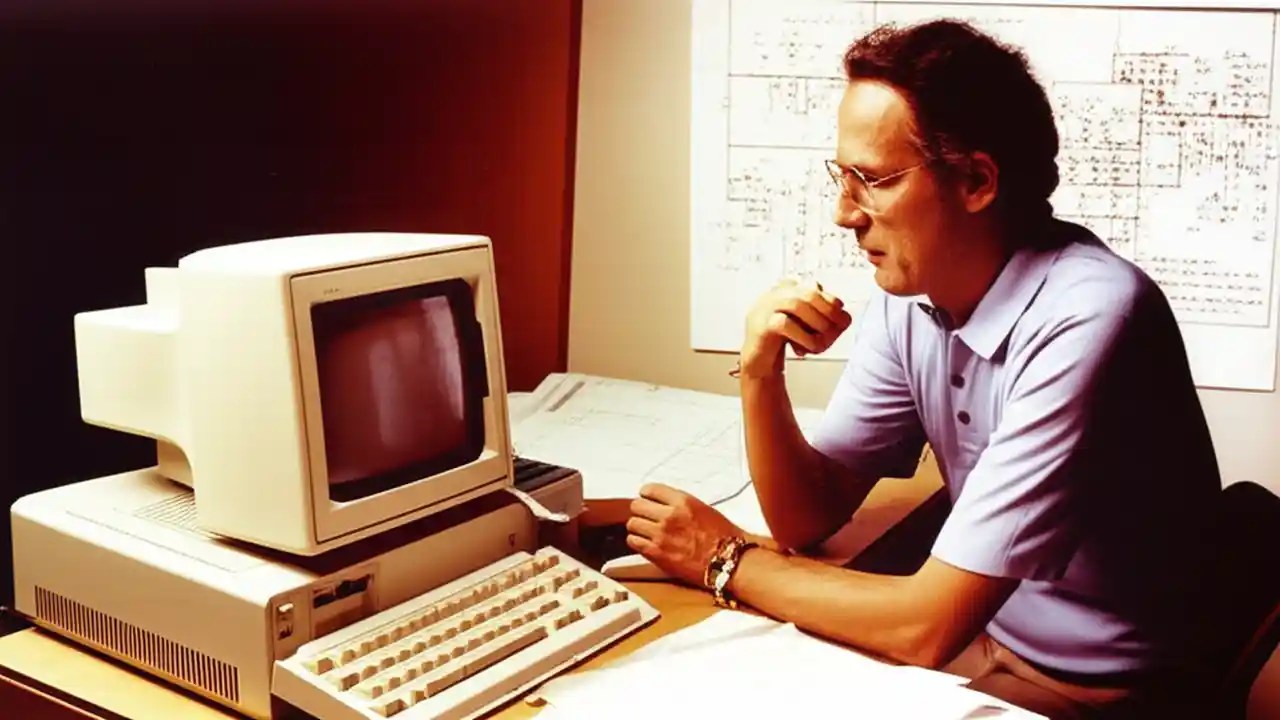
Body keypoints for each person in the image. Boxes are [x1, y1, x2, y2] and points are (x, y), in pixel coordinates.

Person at [623, 18, 1222, 719]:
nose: (846, 213)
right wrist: (760, 369)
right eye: (842, 177)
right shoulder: (918, 293)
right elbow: (806, 517)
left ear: (974, 180)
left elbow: (923, 626)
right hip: (988, 637)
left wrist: (724, 560)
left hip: (1102, 685)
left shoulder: (1091, 318)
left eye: (871, 180)